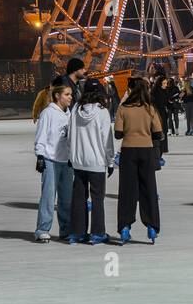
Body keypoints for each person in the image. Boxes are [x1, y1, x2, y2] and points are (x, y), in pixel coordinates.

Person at [114, 78, 163, 241]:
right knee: (148, 188)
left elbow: (118, 133)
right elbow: (158, 134)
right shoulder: (150, 109)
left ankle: (125, 226)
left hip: (128, 151)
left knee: (127, 190)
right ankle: (151, 226)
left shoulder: (123, 108)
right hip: (146, 151)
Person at [70, 85, 115, 244]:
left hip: (78, 161)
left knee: (79, 198)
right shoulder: (102, 112)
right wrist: (110, 161)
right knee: (97, 198)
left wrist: (72, 155)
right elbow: (107, 139)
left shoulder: (76, 109)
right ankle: (97, 233)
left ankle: (77, 232)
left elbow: (70, 133)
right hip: (96, 162)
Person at [33, 83, 74, 242]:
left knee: (66, 198)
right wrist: (40, 156)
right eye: (67, 94)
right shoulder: (48, 113)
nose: (70, 97)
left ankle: (66, 229)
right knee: (49, 196)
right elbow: (41, 135)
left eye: (71, 94)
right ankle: (42, 229)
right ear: (58, 96)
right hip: (50, 160)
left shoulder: (70, 114)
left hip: (67, 160)